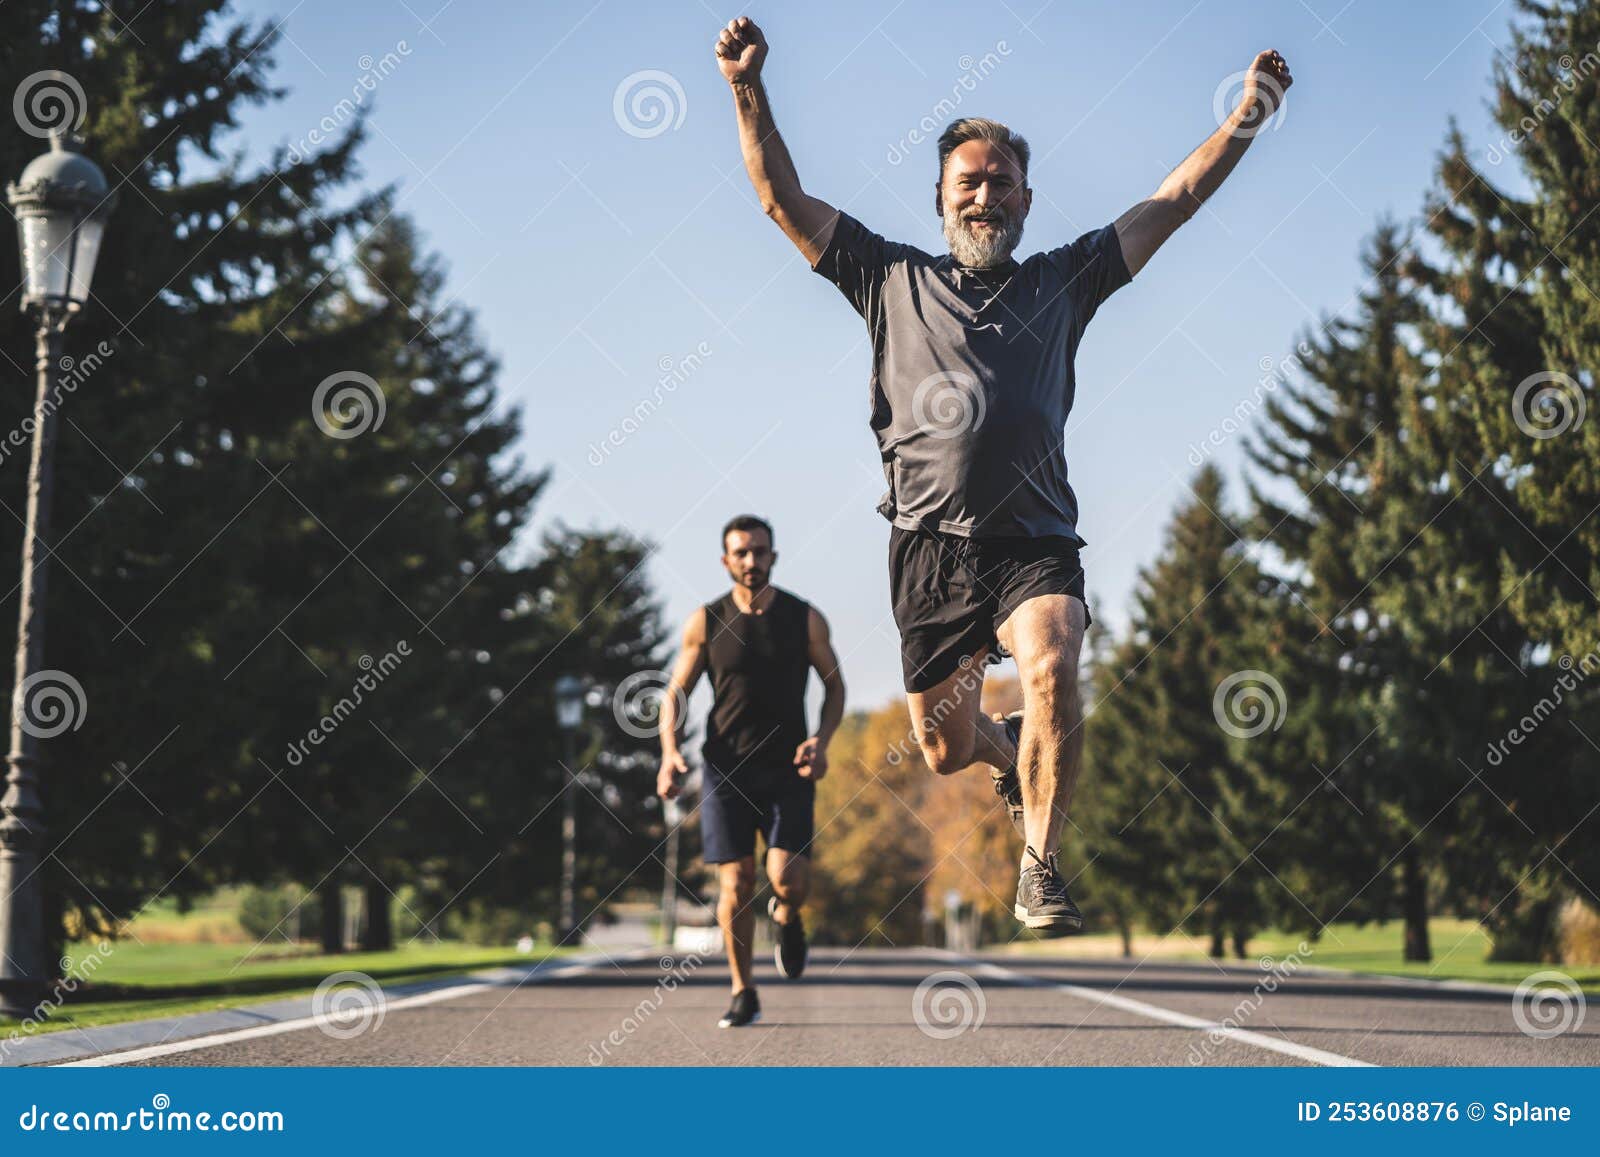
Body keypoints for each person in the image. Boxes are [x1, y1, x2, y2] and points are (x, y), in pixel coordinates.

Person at [715, 16, 1292, 931]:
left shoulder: (1067, 279)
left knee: (1054, 663)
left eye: (1002, 183)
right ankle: (1006, 747)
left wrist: (1247, 114)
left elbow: (1175, 199)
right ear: (943, 198)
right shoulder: (886, 276)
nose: (985, 196)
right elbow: (779, 198)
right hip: (928, 547)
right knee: (943, 748)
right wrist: (747, 88)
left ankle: (1040, 867)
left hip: (1035, 541)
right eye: (969, 183)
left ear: (1027, 200)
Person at [657, 515, 846, 1027]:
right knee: (736, 881)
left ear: (773, 557)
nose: (751, 561)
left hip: (789, 769)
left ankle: (786, 914)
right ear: (726, 560)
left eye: (760, 551)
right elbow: (675, 694)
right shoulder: (706, 622)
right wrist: (669, 752)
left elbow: (834, 686)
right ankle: (743, 991)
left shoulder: (805, 618)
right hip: (726, 769)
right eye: (741, 552)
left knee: (789, 879)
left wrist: (821, 740)